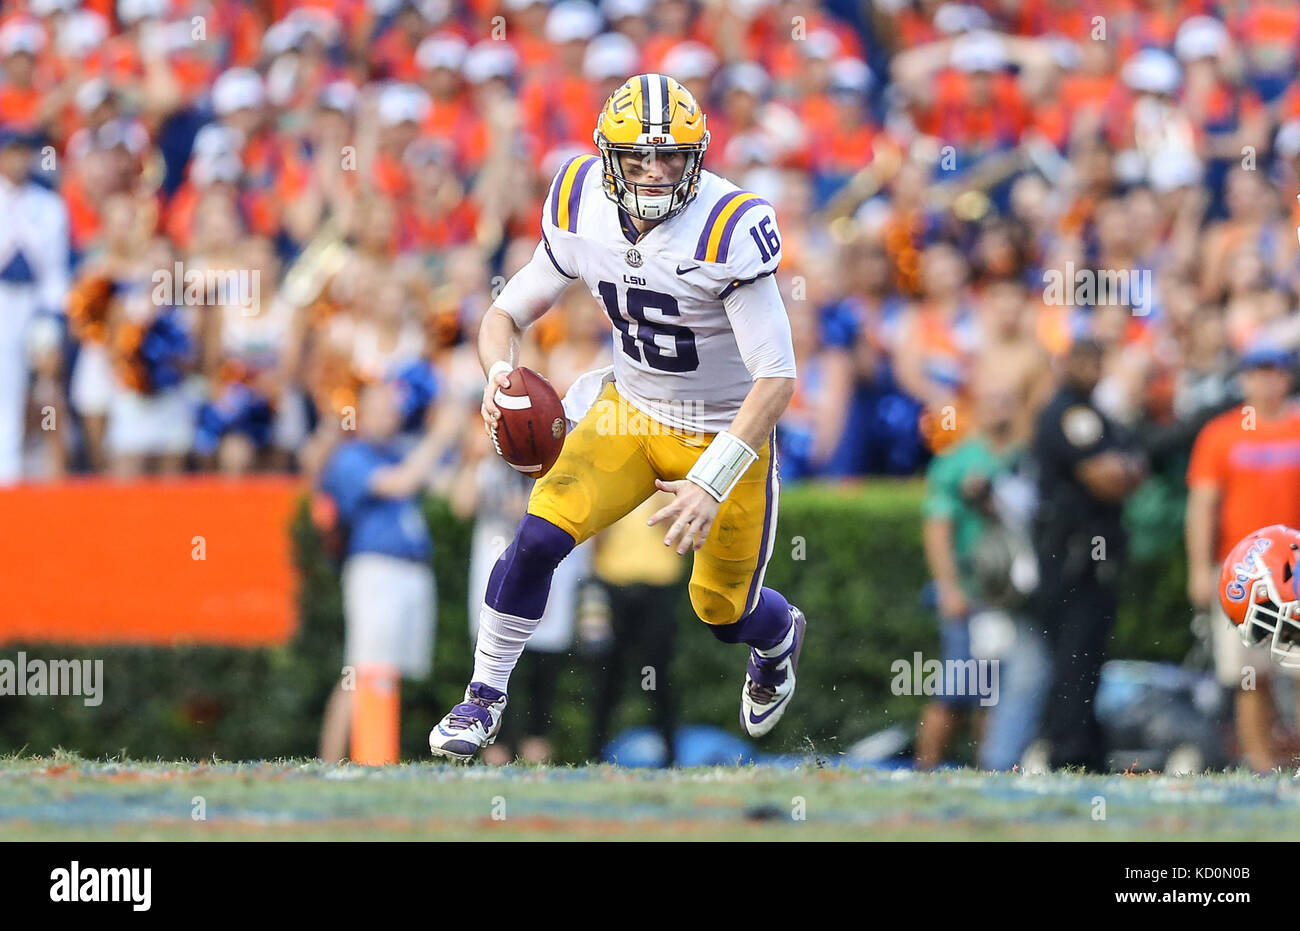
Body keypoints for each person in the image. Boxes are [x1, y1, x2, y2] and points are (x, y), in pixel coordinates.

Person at [429, 74, 803, 761]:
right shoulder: (580, 202)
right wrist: (498, 374)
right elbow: (504, 314)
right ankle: (482, 697)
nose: (655, 170)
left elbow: (776, 379)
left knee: (722, 611)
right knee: (538, 537)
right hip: (629, 411)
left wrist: (712, 477)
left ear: (697, 158)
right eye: (638, 156)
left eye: (670, 156)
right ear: (609, 156)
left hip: (723, 430)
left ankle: (777, 639)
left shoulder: (729, 227)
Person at [1031, 339, 1146, 772]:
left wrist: (1125, 469)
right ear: (1066, 364)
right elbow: (1108, 479)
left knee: (1088, 659)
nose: (1092, 367)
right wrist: (1122, 470)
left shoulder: (1096, 414)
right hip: (1071, 561)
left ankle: (1087, 750)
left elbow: (1134, 465)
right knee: (1072, 660)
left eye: (1098, 358)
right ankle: (1069, 752)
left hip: (1095, 561)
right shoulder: (1068, 412)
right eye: (1084, 359)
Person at [314, 380, 444, 764]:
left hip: (410, 570)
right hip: (376, 569)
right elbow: (402, 483)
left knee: (386, 673)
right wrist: (441, 436)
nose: (388, 417)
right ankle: (333, 762)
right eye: (379, 409)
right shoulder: (350, 457)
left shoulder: (397, 453)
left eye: (392, 409)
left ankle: (377, 755)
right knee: (363, 670)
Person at [1187, 346, 1300, 772]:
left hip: (1294, 569)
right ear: (1245, 379)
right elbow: (1203, 504)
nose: (1267, 383)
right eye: (1258, 373)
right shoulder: (1221, 433)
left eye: (1274, 373)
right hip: (1243, 569)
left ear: (1285, 379)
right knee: (1250, 676)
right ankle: (1260, 765)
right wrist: (1200, 568)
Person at [585, 491, 687, 765]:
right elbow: (594, 535)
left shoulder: (667, 477)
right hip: (614, 583)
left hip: (658, 584)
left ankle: (670, 755)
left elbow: (680, 526)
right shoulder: (616, 478)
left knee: (659, 674)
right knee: (607, 674)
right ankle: (595, 753)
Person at [0, 126, 68, 484]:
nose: (17, 160)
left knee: (45, 389)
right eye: (11, 152)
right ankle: (7, 475)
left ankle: (49, 474)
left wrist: (52, 319)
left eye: (24, 152)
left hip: (35, 301)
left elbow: (53, 270)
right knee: (5, 386)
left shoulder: (48, 204)